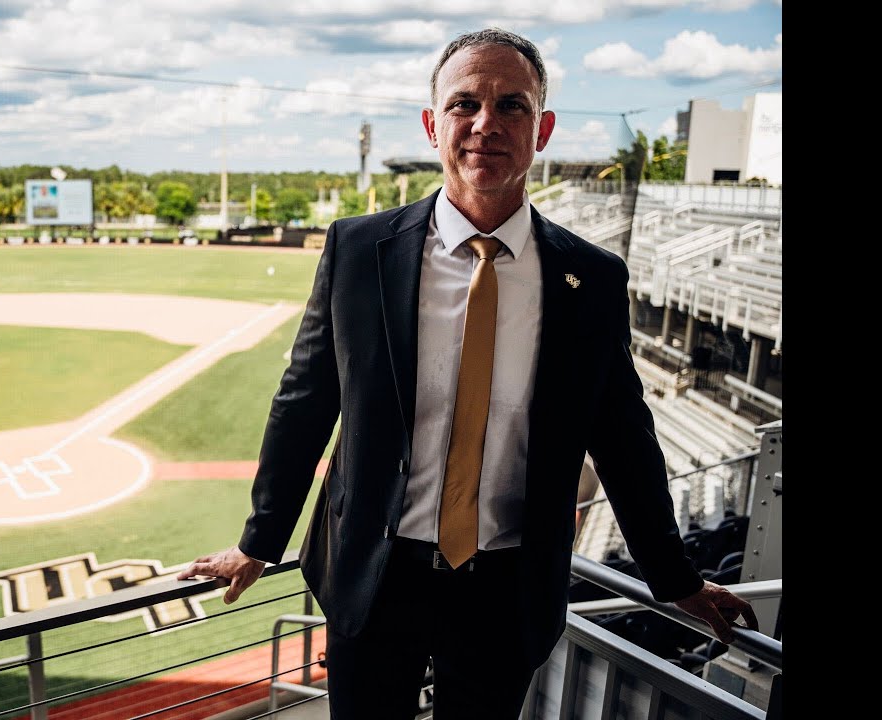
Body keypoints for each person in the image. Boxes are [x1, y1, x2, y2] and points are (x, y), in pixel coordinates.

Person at [177, 28, 758, 719]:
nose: (486, 124)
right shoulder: (362, 251)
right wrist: (258, 540)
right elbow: (305, 402)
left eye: (512, 106)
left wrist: (676, 578)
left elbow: (624, 437)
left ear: (541, 129)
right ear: (433, 124)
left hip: (507, 588)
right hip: (374, 574)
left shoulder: (592, 280)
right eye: (464, 105)